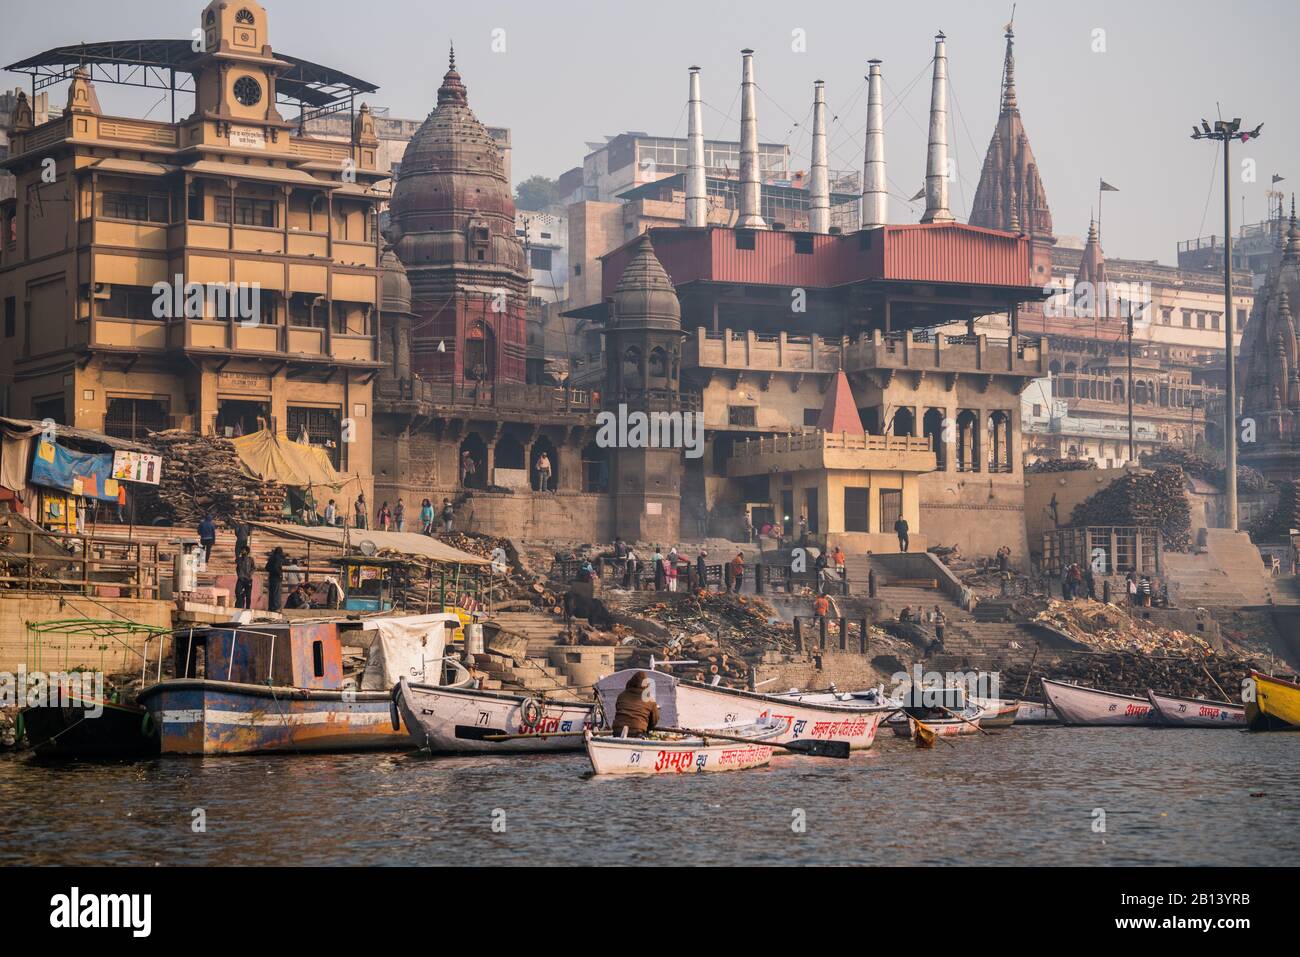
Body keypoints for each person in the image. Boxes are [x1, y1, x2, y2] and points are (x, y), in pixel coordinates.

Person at [611, 671, 660, 737]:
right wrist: (646, 727)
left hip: (617, 730)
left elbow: (618, 711)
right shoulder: (650, 700)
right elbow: (654, 720)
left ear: (630, 683)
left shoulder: (621, 695)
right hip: (637, 732)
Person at [266, 546, 287, 612]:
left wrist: (272, 571)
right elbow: (276, 567)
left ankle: (271, 607)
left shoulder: (271, 558)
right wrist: (279, 574)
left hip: (271, 578)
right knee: (276, 593)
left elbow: (267, 567)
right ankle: (276, 608)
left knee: (272, 593)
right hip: (276, 578)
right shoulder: (278, 558)